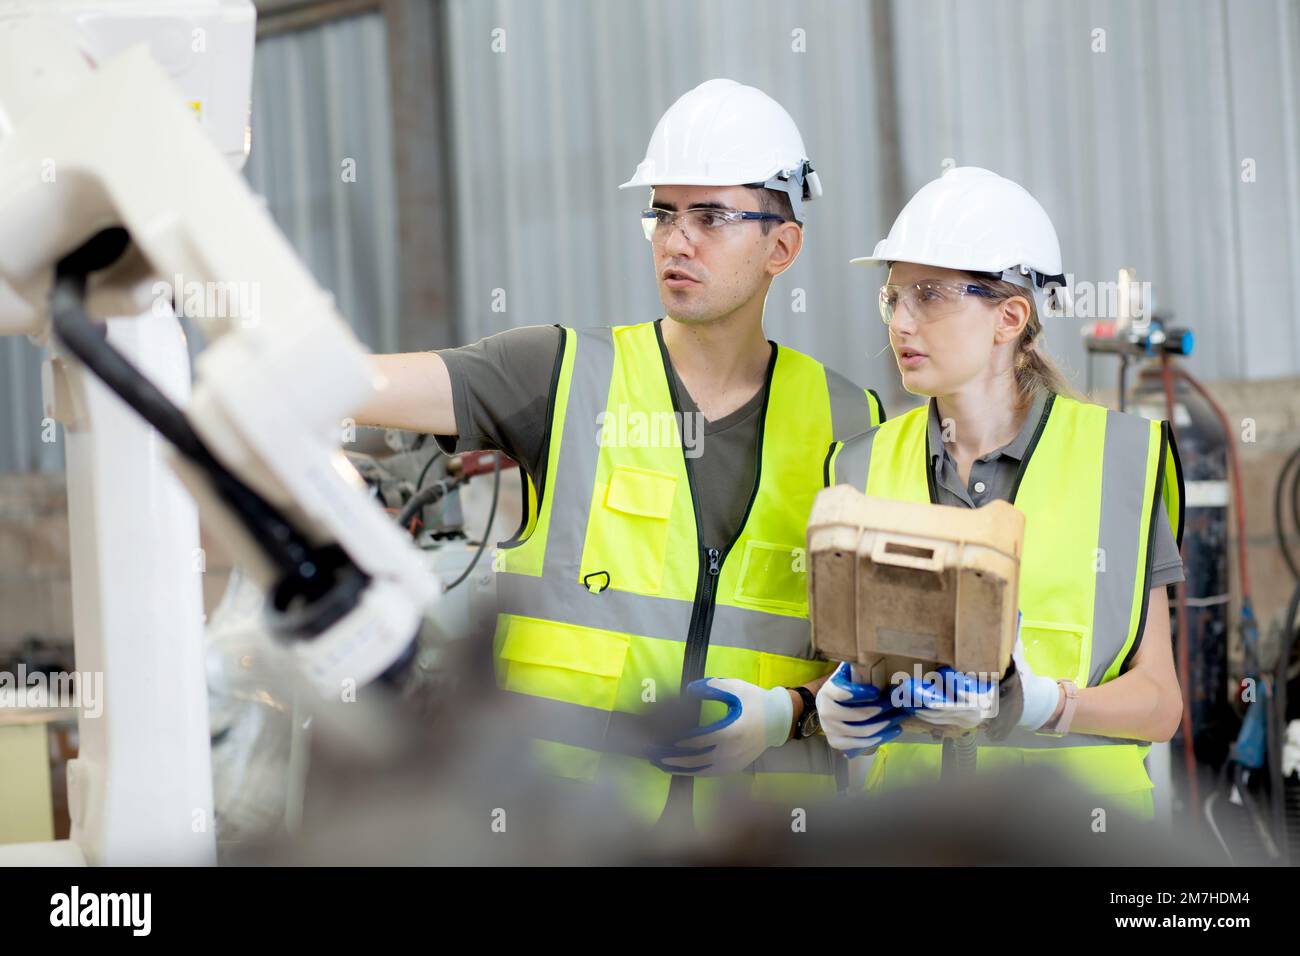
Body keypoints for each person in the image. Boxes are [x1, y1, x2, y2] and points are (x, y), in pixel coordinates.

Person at [355, 79, 886, 826]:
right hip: (570, 832)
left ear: (782, 245)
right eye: (664, 213)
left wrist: (785, 714)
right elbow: (357, 383)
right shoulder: (558, 374)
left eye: (711, 216)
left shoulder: (850, 420)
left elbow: (874, 662)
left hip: (757, 835)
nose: (677, 239)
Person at [816, 167, 1185, 819]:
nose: (899, 322)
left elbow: (1160, 702)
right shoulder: (859, 464)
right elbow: (855, 673)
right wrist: (832, 710)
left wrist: (1047, 705)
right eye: (892, 296)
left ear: (1009, 317)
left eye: (928, 295)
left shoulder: (1120, 460)